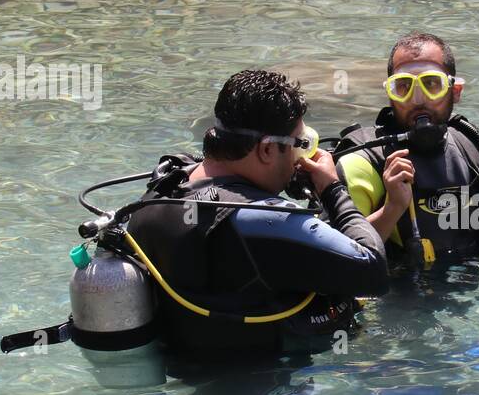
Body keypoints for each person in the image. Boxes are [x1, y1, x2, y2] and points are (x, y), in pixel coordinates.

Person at [125, 69, 389, 352]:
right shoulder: (259, 221)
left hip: (190, 365)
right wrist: (332, 190)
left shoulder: (162, 189)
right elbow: (372, 269)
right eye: (298, 145)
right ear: (265, 150)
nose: (300, 159)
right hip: (268, 387)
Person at [335, 32, 479, 268]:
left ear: (455, 91)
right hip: (397, 297)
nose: (418, 99)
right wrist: (392, 208)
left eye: (432, 84)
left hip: (474, 292)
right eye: (403, 87)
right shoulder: (361, 164)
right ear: (390, 94)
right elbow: (337, 263)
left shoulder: (475, 147)